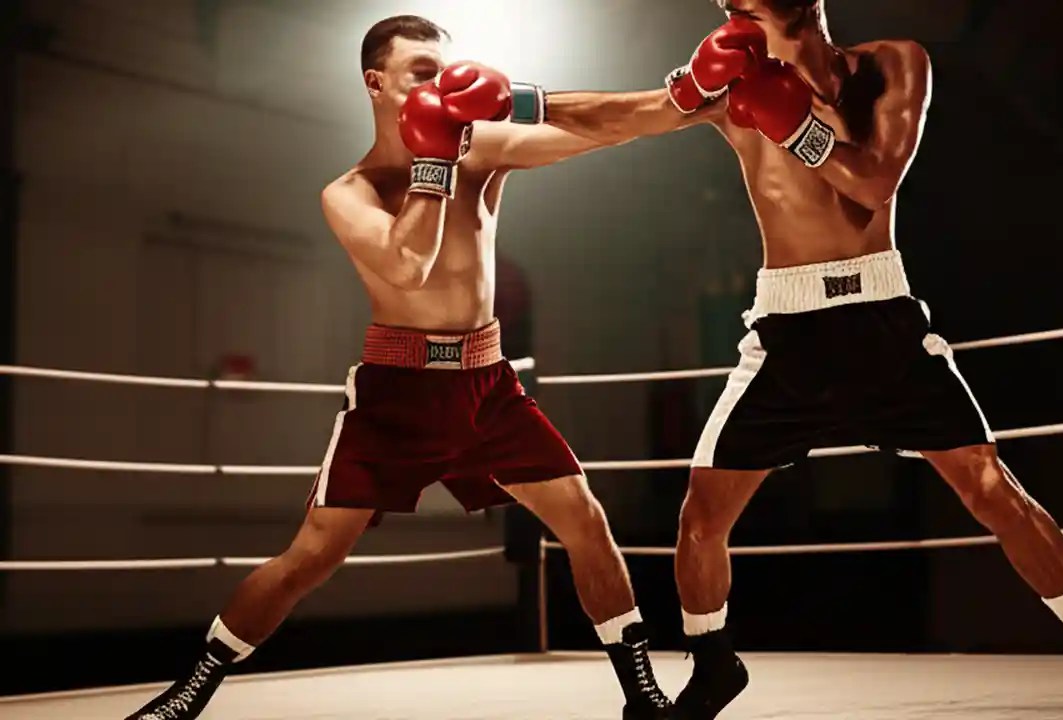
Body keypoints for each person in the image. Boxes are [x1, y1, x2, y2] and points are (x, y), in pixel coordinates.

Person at [533, 2, 1063, 718]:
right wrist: (517, 101)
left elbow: (874, 183)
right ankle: (714, 666)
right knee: (702, 515)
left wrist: (794, 124)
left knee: (992, 490)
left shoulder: (894, 64)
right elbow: (627, 115)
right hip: (786, 326)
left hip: (881, 316)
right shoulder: (729, 80)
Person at [125, 15, 684, 720]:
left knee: (585, 520)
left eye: (445, 69)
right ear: (376, 82)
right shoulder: (349, 192)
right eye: (422, 71)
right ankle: (189, 693)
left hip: (488, 385)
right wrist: (433, 159)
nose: (441, 82)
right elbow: (407, 265)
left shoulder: (484, 150)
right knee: (312, 556)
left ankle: (642, 696)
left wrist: (689, 97)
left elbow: (605, 130)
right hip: (398, 394)